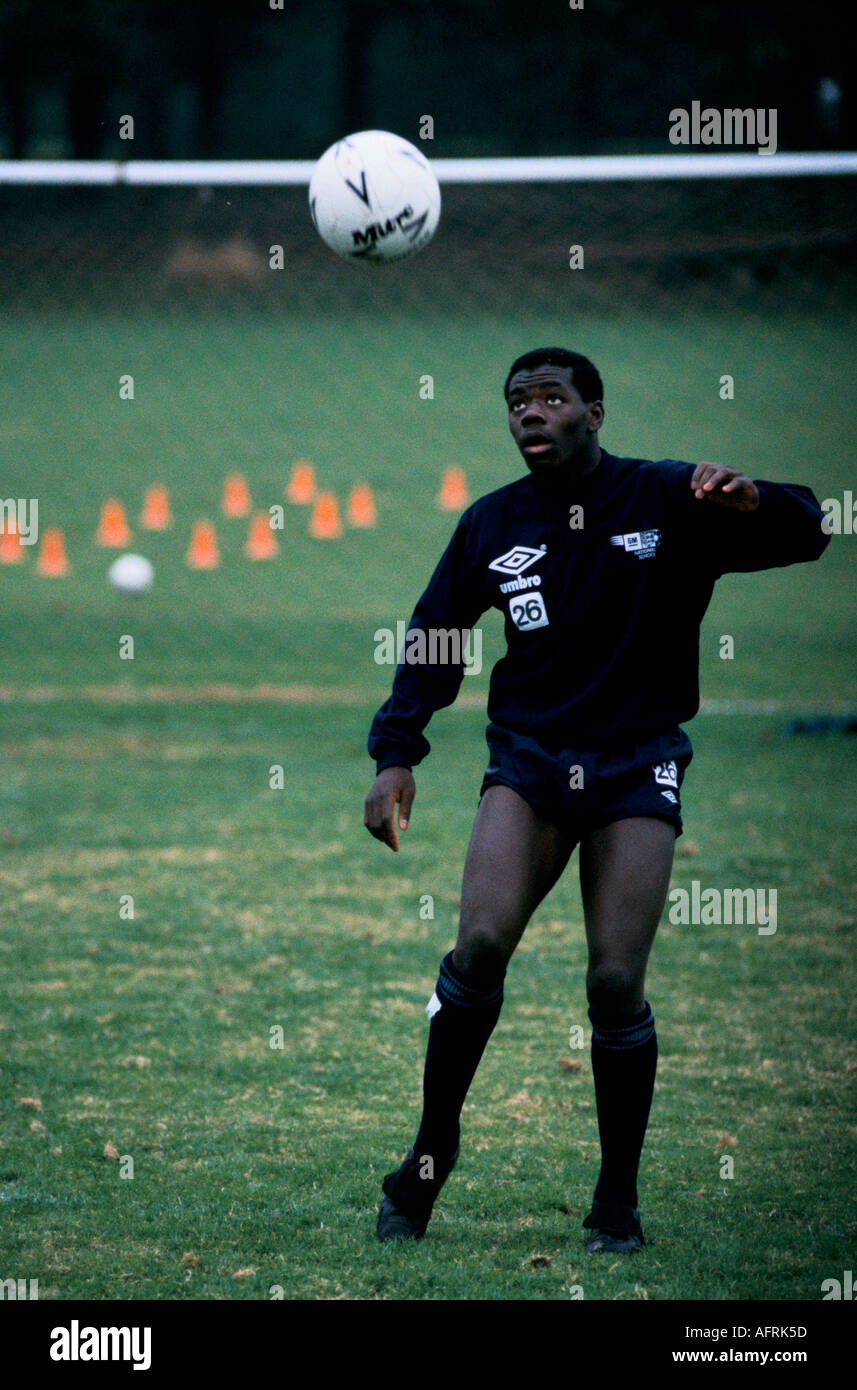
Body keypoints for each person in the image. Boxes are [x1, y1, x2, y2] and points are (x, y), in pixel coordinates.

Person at [363, 347, 829, 1252]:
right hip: (530, 762)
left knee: (614, 983)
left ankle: (616, 1203)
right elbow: (434, 634)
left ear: (594, 413)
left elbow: (809, 530)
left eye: (550, 399)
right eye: (516, 403)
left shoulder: (665, 500)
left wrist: (754, 502)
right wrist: (395, 755)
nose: (530, 415)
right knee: (480, 943)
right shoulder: (491, 524)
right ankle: (429, 1156)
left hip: (635, 765)